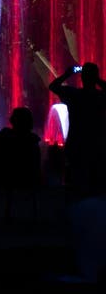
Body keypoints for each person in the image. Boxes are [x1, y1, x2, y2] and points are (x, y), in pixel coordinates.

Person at [49, 63, 106, 199]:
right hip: (96, 143)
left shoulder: (74, 94)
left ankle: (76, 210)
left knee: (76, 178)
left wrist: (67, 74)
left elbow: (53, 86)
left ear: (82, 78)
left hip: (76, 142)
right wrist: (96, 78)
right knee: (96, 180)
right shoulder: (100, 97)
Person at [0, 107, 41, 221]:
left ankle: (7, 214)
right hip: (29, 178)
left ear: (13, 120)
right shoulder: (33, 141)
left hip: (9, 177)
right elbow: (36, 164)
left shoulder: (6, 136)